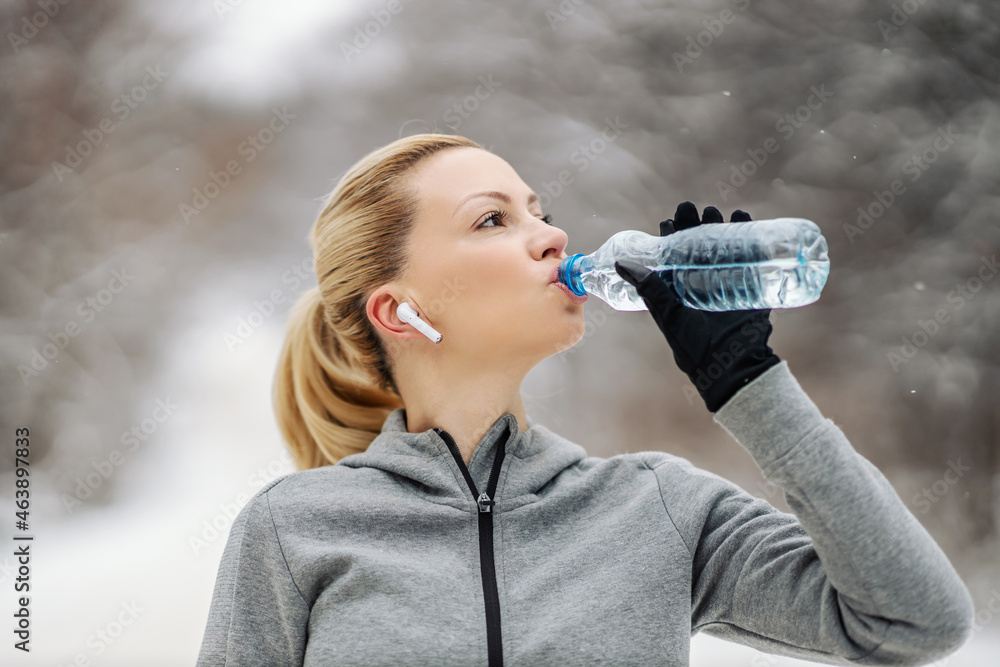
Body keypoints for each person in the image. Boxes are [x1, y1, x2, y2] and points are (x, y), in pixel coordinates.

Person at [196, 133, 973, 666]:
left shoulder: (656, 508)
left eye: (539, 209)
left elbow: (913, 619)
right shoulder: (294, 529)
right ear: (399, 311)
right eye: (494, 219)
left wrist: (748, 381)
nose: (551, 235)